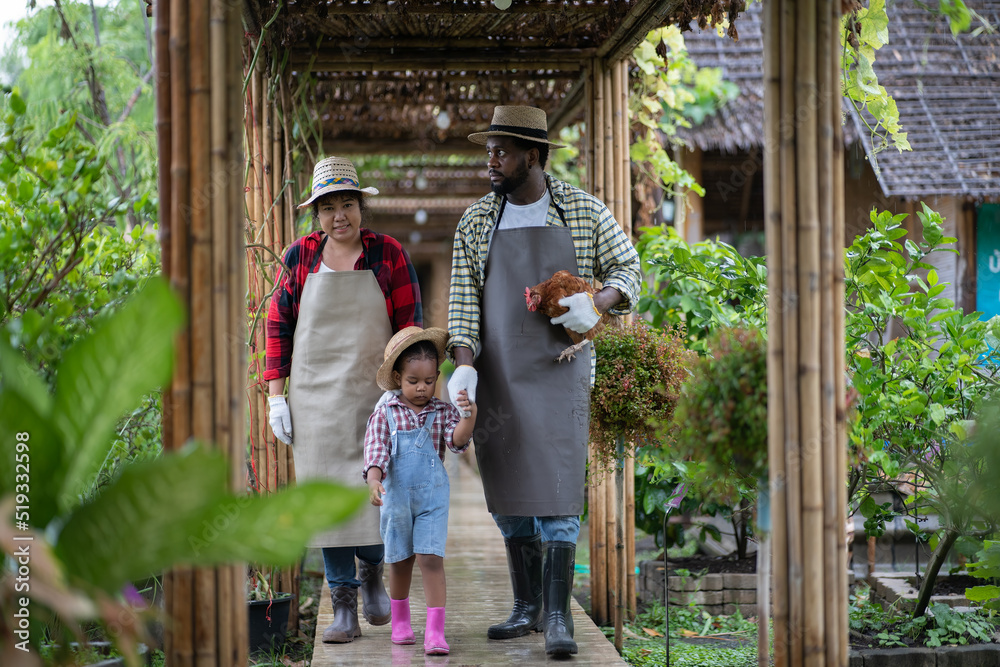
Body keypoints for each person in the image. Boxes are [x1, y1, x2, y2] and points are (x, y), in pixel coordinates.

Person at [445, 105, 641, 656]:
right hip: (500, 376)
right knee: (507, 487)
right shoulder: (477, 221)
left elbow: (631, 271)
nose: (491, 161)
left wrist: (597, 301)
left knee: (559, 487)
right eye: (488, 151)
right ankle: (525, 607)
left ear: (532, 155)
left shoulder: (583, 210)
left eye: (500, 151)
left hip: (563, 373)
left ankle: (558, 617)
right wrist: (463, 363)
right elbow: (463, 309)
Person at [264, 156, 422, 643]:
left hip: (376, 399)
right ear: (316, 215)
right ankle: (345, 607)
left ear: (361, 207)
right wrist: (276, 397)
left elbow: (409, 328)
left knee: (376, 493)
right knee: (327, 503)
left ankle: (373, 572)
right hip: (314, 401)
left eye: (348, 204)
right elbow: (278, 326)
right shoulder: (300, 257)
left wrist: (411, 393)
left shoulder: (387, 254)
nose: (340, 216)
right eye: (328, 207)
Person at [363, 326, 475, 656]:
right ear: (398, 377)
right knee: (400, 561)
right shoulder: (386, 412)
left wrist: (469, 416)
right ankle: (400, 623)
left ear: (437, 377)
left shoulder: (442, 412)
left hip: (432, 498)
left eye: (429, 381)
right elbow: (376, 448)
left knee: (430, 559)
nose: (422, 388)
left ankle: (435, 632)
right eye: (413, 381)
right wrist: (373, 479)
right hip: (395, 497)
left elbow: (456, 443)